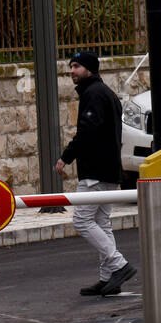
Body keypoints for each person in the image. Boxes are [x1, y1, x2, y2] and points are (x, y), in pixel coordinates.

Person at [55, 51, 136, 298]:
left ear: (89, 69)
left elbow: (87, 131)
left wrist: (66, 157)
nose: (71, 71)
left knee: (82, 220)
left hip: (96, 172)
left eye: (76, 66)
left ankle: (119, 265)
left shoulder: (93, 94)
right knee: (101, 222)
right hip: (109, 169)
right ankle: (108, 277)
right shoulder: (106, 93)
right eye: (70, 66)